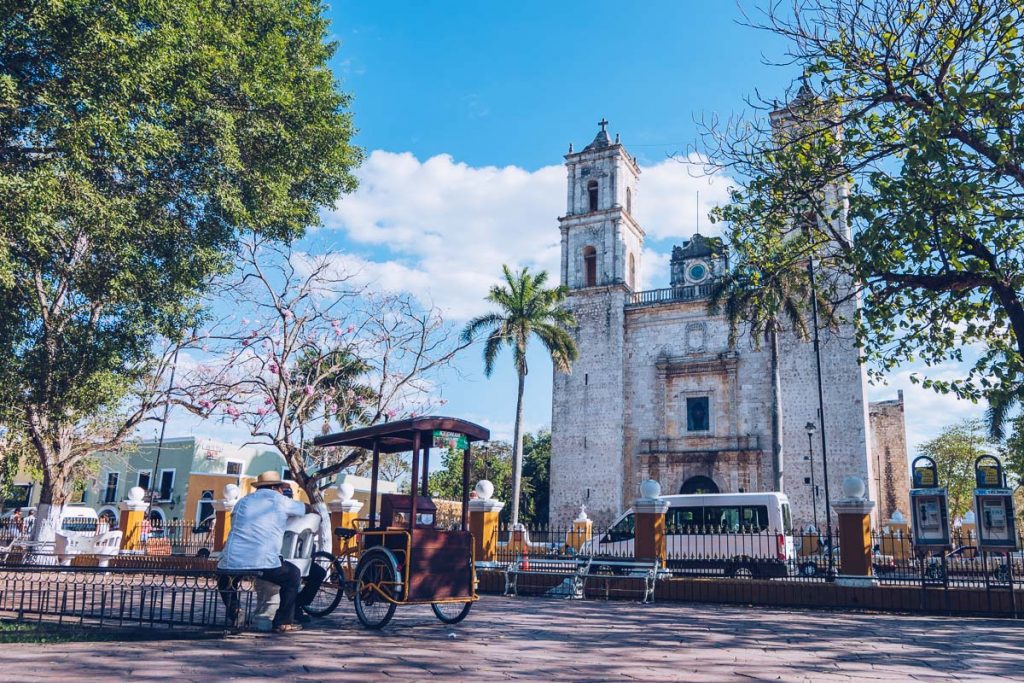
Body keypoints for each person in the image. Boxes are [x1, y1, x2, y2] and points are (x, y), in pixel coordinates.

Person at [217, 471, 310, 633]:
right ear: (275, 488)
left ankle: (235, 611)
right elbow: (305, 508)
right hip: (263, 561)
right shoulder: (280, 500)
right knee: (293, 575)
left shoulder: (242, 501)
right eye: (281, 488)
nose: (282, 491)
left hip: (233, 559)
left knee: (225, 579)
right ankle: (283, 621)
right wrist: (314, 509)